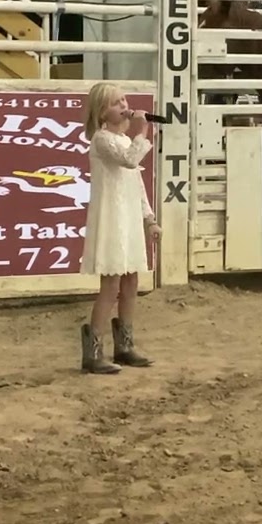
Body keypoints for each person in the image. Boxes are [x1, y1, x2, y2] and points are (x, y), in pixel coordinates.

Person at [78, 82, 161, 374]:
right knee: (111, 284)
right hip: (112, 217)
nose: (124, 106)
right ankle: (94, 351)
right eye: (116, 103)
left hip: (128, 217)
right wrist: (143, 133)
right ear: (102, 112)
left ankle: (124, 345)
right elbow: (128, 161)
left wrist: (149, 219)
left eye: (124, 100)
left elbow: (137, 185)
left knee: (131, 282)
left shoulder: (126, 141)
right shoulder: (103, 140)